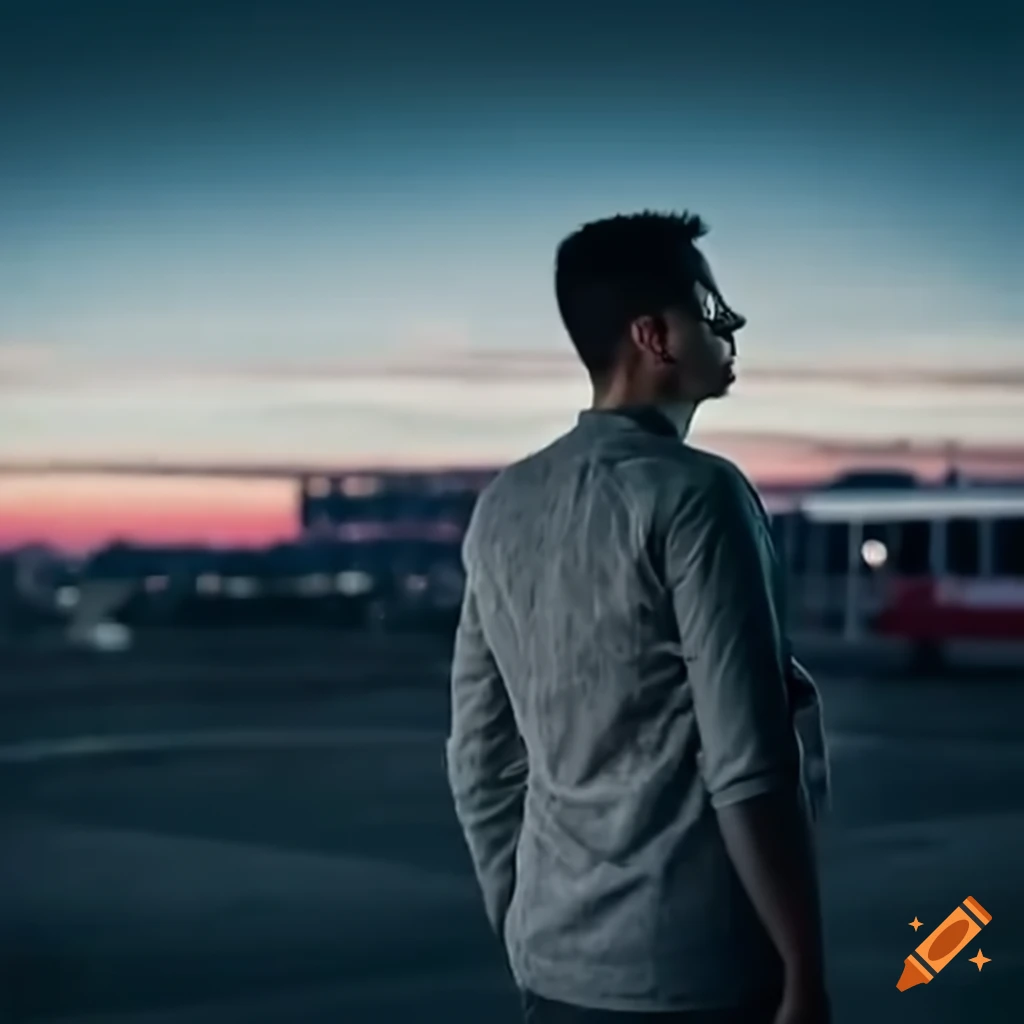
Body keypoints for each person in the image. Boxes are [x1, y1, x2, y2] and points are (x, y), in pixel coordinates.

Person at [445, 211, 831, 1024]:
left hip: (556, 968)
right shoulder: (699, 496)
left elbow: (480, 757)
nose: (732, 325)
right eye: (712, 309)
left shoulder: (504, 503)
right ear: (654, 336)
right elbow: (747, 763)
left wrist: (524, 921)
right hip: (698, 967)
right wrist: (803, 967)